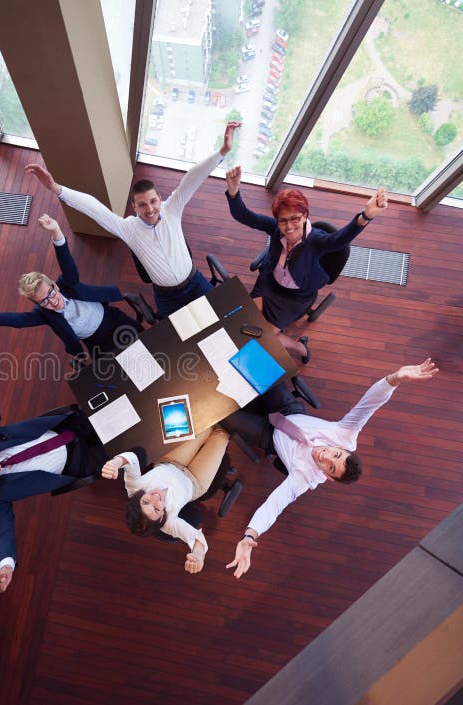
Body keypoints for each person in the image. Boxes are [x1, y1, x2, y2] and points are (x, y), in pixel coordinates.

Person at [221, 358, 439, 579]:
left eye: (330, 467)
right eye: (336, 454)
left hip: (268, 436)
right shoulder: (345, 434)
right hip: (288, 411)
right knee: (253, 362)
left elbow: (274, 505)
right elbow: (369, 405)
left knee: (221, 414)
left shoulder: (304, 479)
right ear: (341, 448)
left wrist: (249, 536)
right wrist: (395, 379)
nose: (325, 456)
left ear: (328, 477)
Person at [25, 122, 242, 318]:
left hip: (195, 283)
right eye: (142, 205)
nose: (150, 209)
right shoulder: (127, 228)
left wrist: (223, 151)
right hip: (167, 298)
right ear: (134, 207)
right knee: (182, 341)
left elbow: (192, 177)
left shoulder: (172, 209)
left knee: (229, 318)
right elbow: (94, 208)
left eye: (153, 201)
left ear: (160, 199)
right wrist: (55, 188)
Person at [0, 354, 107, 594]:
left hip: (70, 427)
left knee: (121, 403)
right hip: (81, 462)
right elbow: (3, 531)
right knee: (129, 442)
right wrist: (6, 565)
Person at [224, 166, 388, 363]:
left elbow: (340, 240)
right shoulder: (275, 228)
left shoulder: (316, 240)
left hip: (295, 297)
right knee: (246, 321)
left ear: (305, 215)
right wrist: (233, 191)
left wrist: (366, 215)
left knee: (263, 336)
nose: (289, 226)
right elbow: (243, 215)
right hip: (269, 284)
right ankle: (294, 344)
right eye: (283, 221)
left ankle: (301, 347)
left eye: (295, 219)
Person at [0, 214, 149, 363]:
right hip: (96, 343)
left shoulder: (68, 284)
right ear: (38, 304)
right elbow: (14, 320)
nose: (52, 301)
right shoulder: (43, 314)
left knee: (150, 349)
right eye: (44, 301)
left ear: (55, 285)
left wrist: (55, 230)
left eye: (51, 292)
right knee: (124, 376)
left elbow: (65, 260)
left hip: (114, 321)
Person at [100, 426, 235, 574]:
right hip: (195, 481)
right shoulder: (168, 523)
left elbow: (131, 459)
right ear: (161, 518)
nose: (155, 498)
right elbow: (195, 537)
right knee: (222, 434)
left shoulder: (134, 488)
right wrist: (198, 555)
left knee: (205, 425)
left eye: (145, 502)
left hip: (170, 461)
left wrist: (115, 463)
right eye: (157, 509)